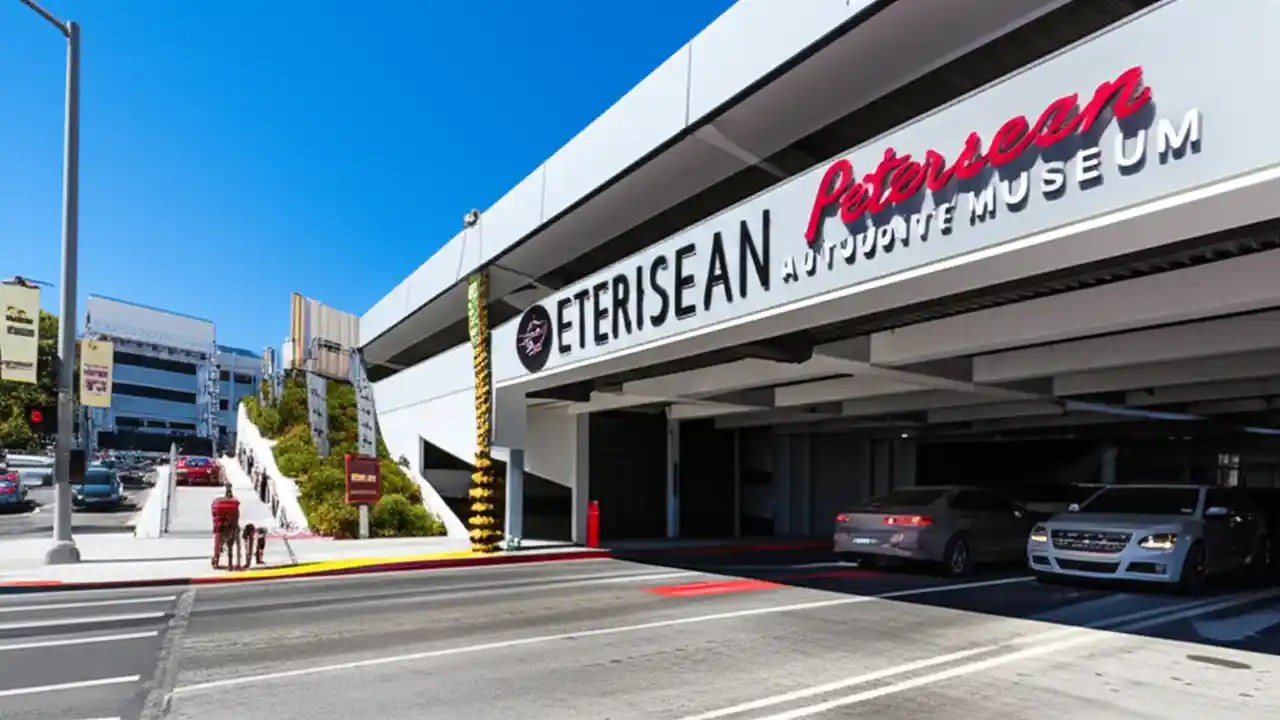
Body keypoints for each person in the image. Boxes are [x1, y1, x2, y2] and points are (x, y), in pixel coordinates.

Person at [211, 483, 241, 570]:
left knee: (218, 544)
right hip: (232, 527)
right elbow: (237, 517)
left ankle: (216, 560)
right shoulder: (234, 505)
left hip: (220, 528)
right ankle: (233, 564)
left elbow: (214, 515)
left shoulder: (219, 505)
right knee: (233, 546)